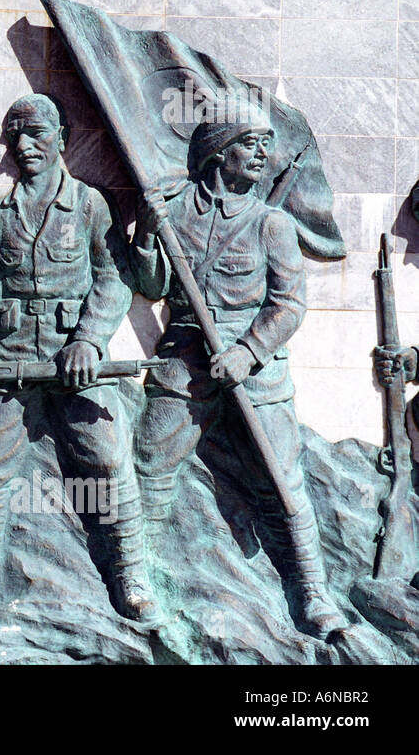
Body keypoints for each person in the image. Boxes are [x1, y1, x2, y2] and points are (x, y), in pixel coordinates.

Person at [0, 93, 159, 631]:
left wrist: (89, 341)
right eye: (16, 136)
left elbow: (113, 280)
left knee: (105, 456)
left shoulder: (88, 206)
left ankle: (133, 580)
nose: (25, 145)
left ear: (61, 138)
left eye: (37, 133)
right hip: (9, 360)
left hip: (73, 358)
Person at [132, 116, 348, 640]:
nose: (260, 155)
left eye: (266, 147)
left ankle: (314, 594)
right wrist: (145, 232)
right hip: (185, 357)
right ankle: (135, 578)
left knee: (282, 477)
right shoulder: (176, 209)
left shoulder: (271, 223)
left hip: (255, 365)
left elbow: (290, 305)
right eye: (248, 144)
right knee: (148, 464)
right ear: (217, 152)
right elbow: (153, 284)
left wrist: (249, 351)